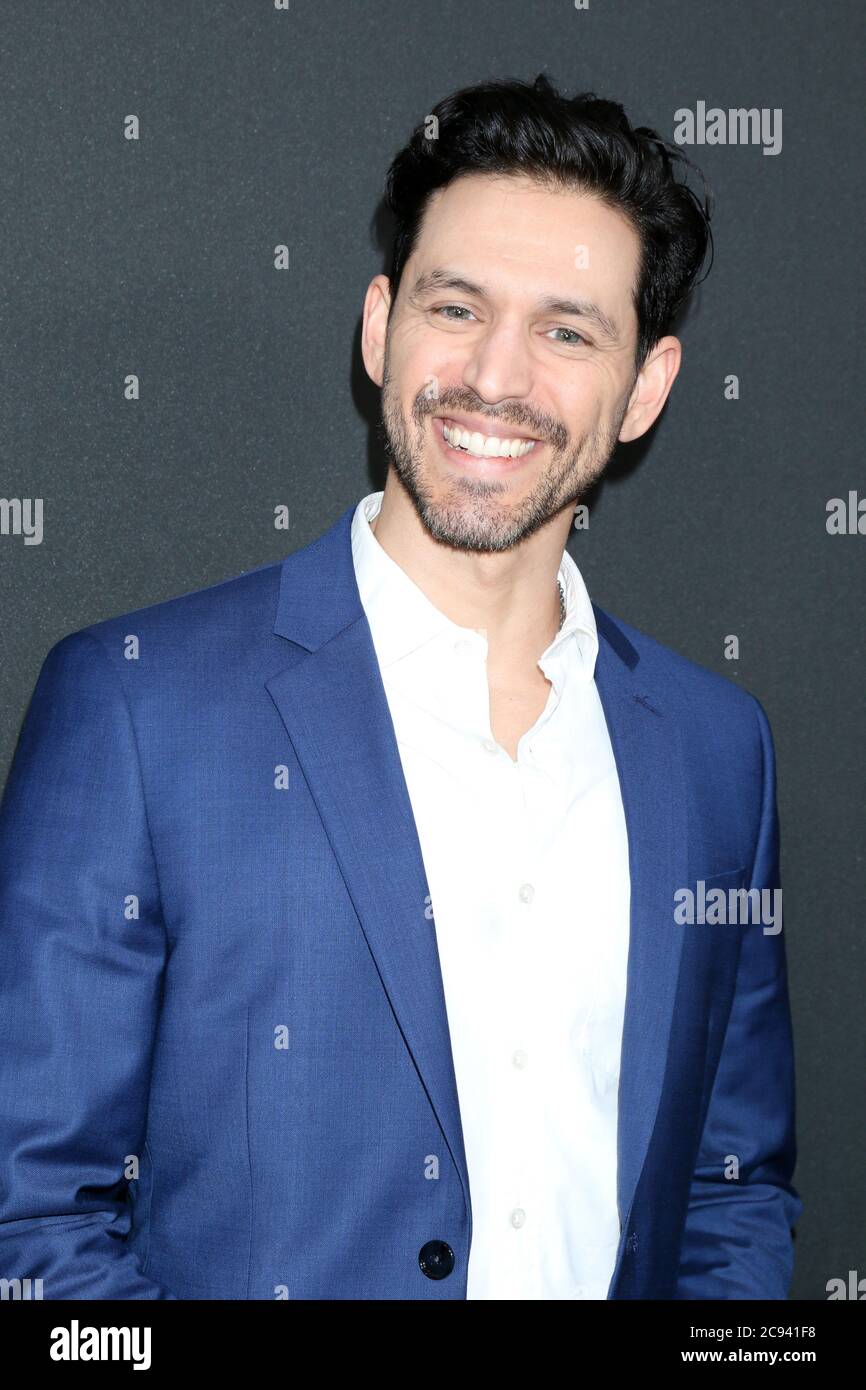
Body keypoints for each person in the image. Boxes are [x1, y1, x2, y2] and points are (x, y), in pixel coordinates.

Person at [0, 74, 801, 1300]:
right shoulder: (135, 707)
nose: (494, 375)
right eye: (456, 305)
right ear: (380, 326)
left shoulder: (714, 749)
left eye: (567, 330)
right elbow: (32, 1226)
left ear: (644, 387)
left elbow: (729, 1191)